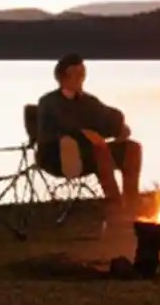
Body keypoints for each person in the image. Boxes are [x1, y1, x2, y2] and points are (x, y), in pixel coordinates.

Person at [36, 53, 143, 223]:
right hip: (59, 156)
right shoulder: (48, 102)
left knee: (132, 148)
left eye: (82, 74)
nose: (80, 79)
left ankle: (130, 206)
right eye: (76, 75)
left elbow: (106, 116)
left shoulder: (87, 101)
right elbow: (63, 125)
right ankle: (114, 206)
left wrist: (119, 126)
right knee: (100, 150)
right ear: (63, 77)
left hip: (91, 153)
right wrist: (84, 133)